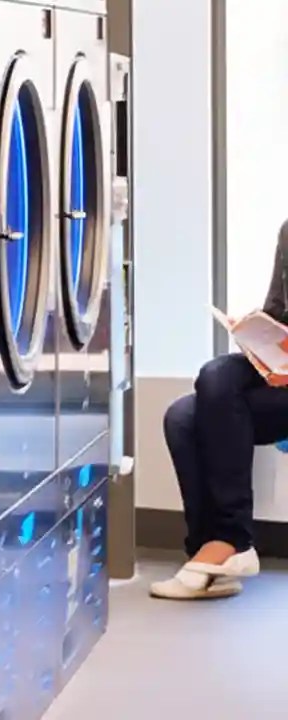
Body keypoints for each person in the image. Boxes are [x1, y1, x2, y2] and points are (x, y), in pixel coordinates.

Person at [150, 220, 288, 600]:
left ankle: (229, 541)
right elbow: (279, 312)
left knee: (191, 417)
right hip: (280, 374)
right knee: (188, 407)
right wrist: (256, 334)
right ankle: (210, 556)